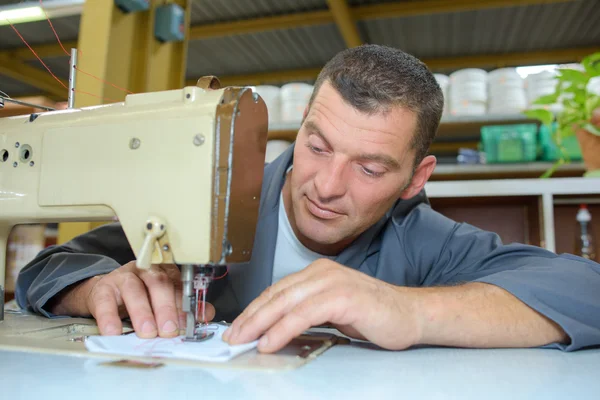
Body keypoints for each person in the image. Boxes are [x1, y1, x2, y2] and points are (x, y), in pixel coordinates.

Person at [16, 45, 600, 354]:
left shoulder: (426, 243)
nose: (325, 185)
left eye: (370, 168)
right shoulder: (209, 198)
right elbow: (51, 266)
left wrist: (410, 311)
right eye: (317, 147)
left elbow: (586, 291)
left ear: (416, 179)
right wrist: (93, 289)